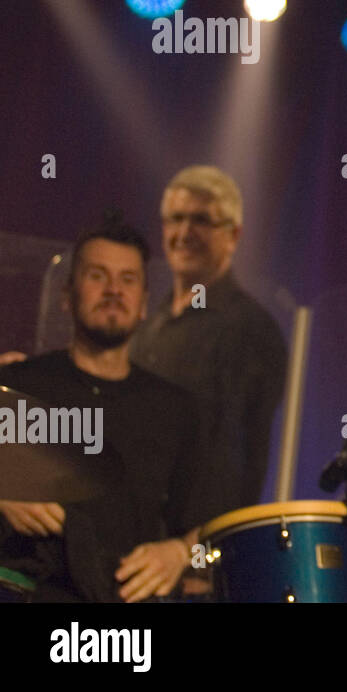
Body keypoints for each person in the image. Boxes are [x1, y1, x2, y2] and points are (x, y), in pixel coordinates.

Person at [0, 214, 202, 601]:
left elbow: (204, 533)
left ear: (143, 304)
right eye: (97, 276)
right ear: (66, 296)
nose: (113, 290)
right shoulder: (18, 383)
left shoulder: (177, 409)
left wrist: (180, 553)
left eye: (128, 280)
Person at [129, 166, 287, 527]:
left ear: (233, 235)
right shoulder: (151, 320)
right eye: (176, 218)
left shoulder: (250, 329)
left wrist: (199, 553)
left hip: (190, 556)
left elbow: (239, 463)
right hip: (138, 539)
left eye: (201, 220)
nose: (184, 233)